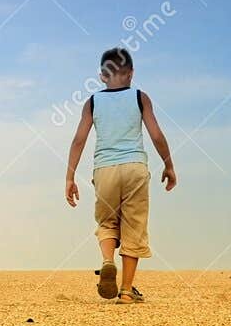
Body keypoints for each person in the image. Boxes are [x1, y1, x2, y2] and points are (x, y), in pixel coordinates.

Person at [64, 48, 176, 302]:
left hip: (104, 170)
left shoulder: (92, 102)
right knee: (133, 227)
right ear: (131, 74)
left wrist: (69, 177)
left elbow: (78, 140)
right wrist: (168, 165)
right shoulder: (140, 98)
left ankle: (107, 261)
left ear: (102, 76)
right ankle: (126, 291)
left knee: (107, 223)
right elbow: (156, 135)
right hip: (135, 167)